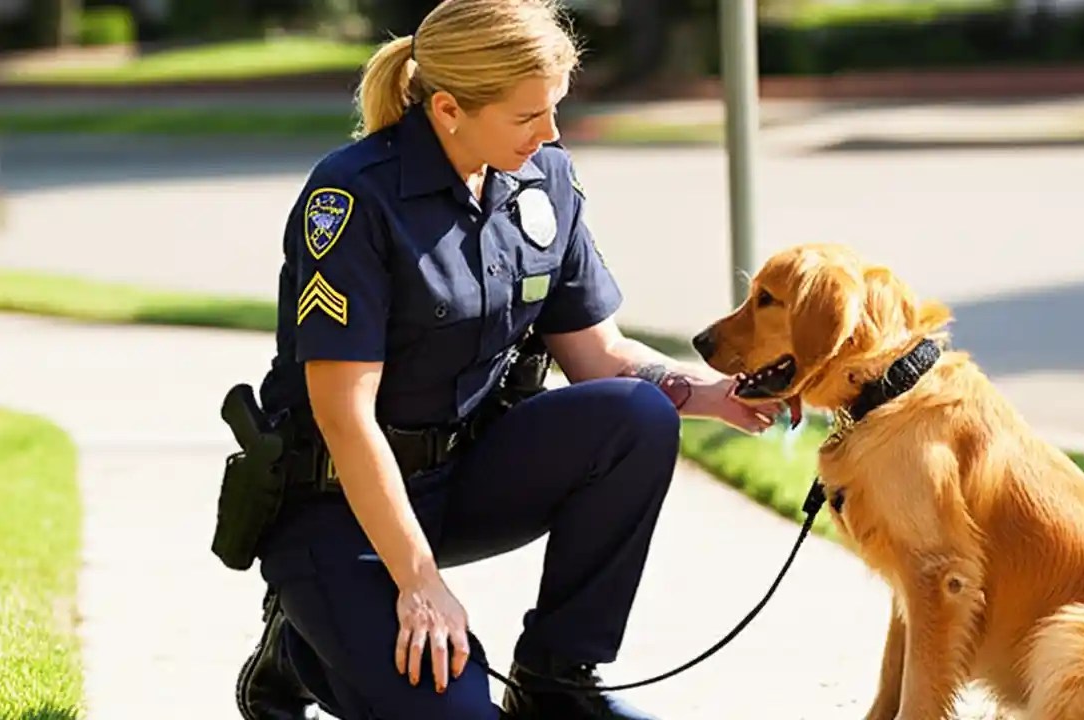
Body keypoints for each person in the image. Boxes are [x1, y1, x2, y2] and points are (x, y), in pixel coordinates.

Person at [230, 1, 782, 719]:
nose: (551, 132)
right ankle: (301, 647)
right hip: (340, 510)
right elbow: (343, 415)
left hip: (465, 479)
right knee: (459, 713)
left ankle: (557, 679)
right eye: (528, 116)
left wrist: (713, 394)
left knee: (637, 416)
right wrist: (420, 582)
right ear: (452, 109)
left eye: (553, 109)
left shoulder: (541, 179)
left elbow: (601, 353)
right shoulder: (354, 197)